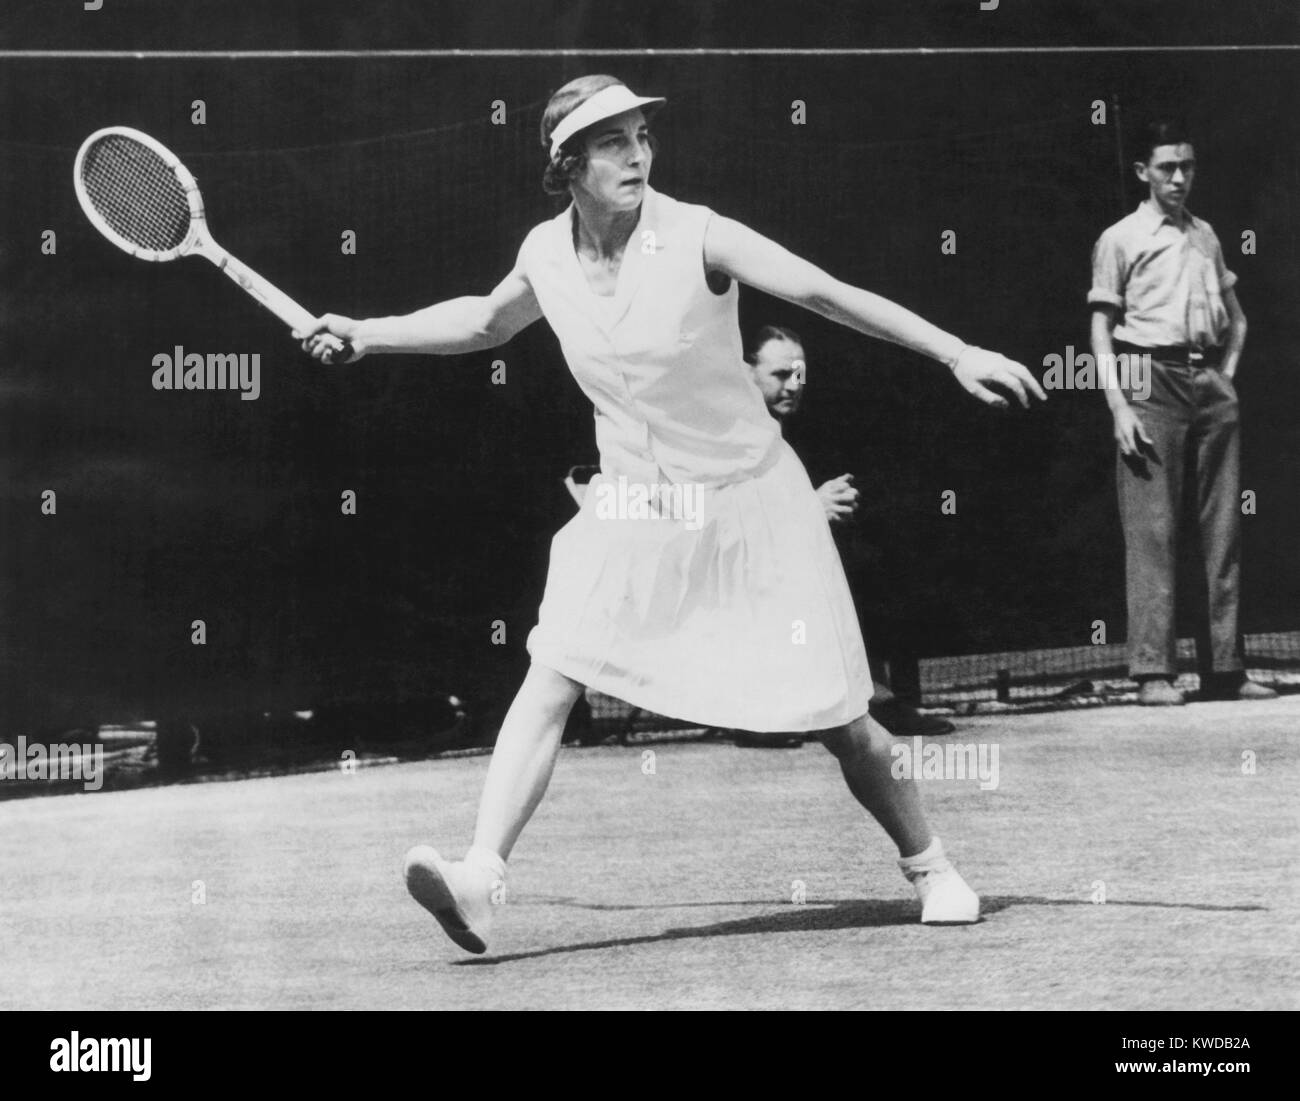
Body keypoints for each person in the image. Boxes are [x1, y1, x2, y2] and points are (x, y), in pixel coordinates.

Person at [300, 75, 1045, 953]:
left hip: (752, 501)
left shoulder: (698, 234)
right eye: (612, 141)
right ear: (565, 163)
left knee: (842, 721)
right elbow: (485, 324)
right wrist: (367, 330)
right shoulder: (545, 252)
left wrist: (955, 351)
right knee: (554, 670)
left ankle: (933, 866)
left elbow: (826, 293)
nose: (638, 154)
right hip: (635, 506)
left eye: (642, 136)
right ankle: (481, 877)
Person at [1089, 119, 1275, 707]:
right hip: (1148, 379)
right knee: (1153, 532)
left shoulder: (1207, 235)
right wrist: (1119, 405)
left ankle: (1226, 667)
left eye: (1187, 166)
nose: (1178, 177)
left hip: (1208, 384)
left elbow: (1238, 319)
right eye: (1167, 167)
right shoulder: (1119, 238)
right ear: (1143, 172)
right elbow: (1100, 331)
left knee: (1222, 532)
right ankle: (1153, 673)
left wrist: (1225, 378)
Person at [744, 325, 957, 740]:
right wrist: (812, 508)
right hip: (739, 568)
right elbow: (729, 519)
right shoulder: (729, 430)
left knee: (870, 552)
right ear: (746, 371)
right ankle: (762, 713)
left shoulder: (801, 426)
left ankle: (880, 699)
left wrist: (833, 504)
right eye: (781, 375)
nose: (794, 385)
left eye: (800, 374)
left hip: (793, 552)